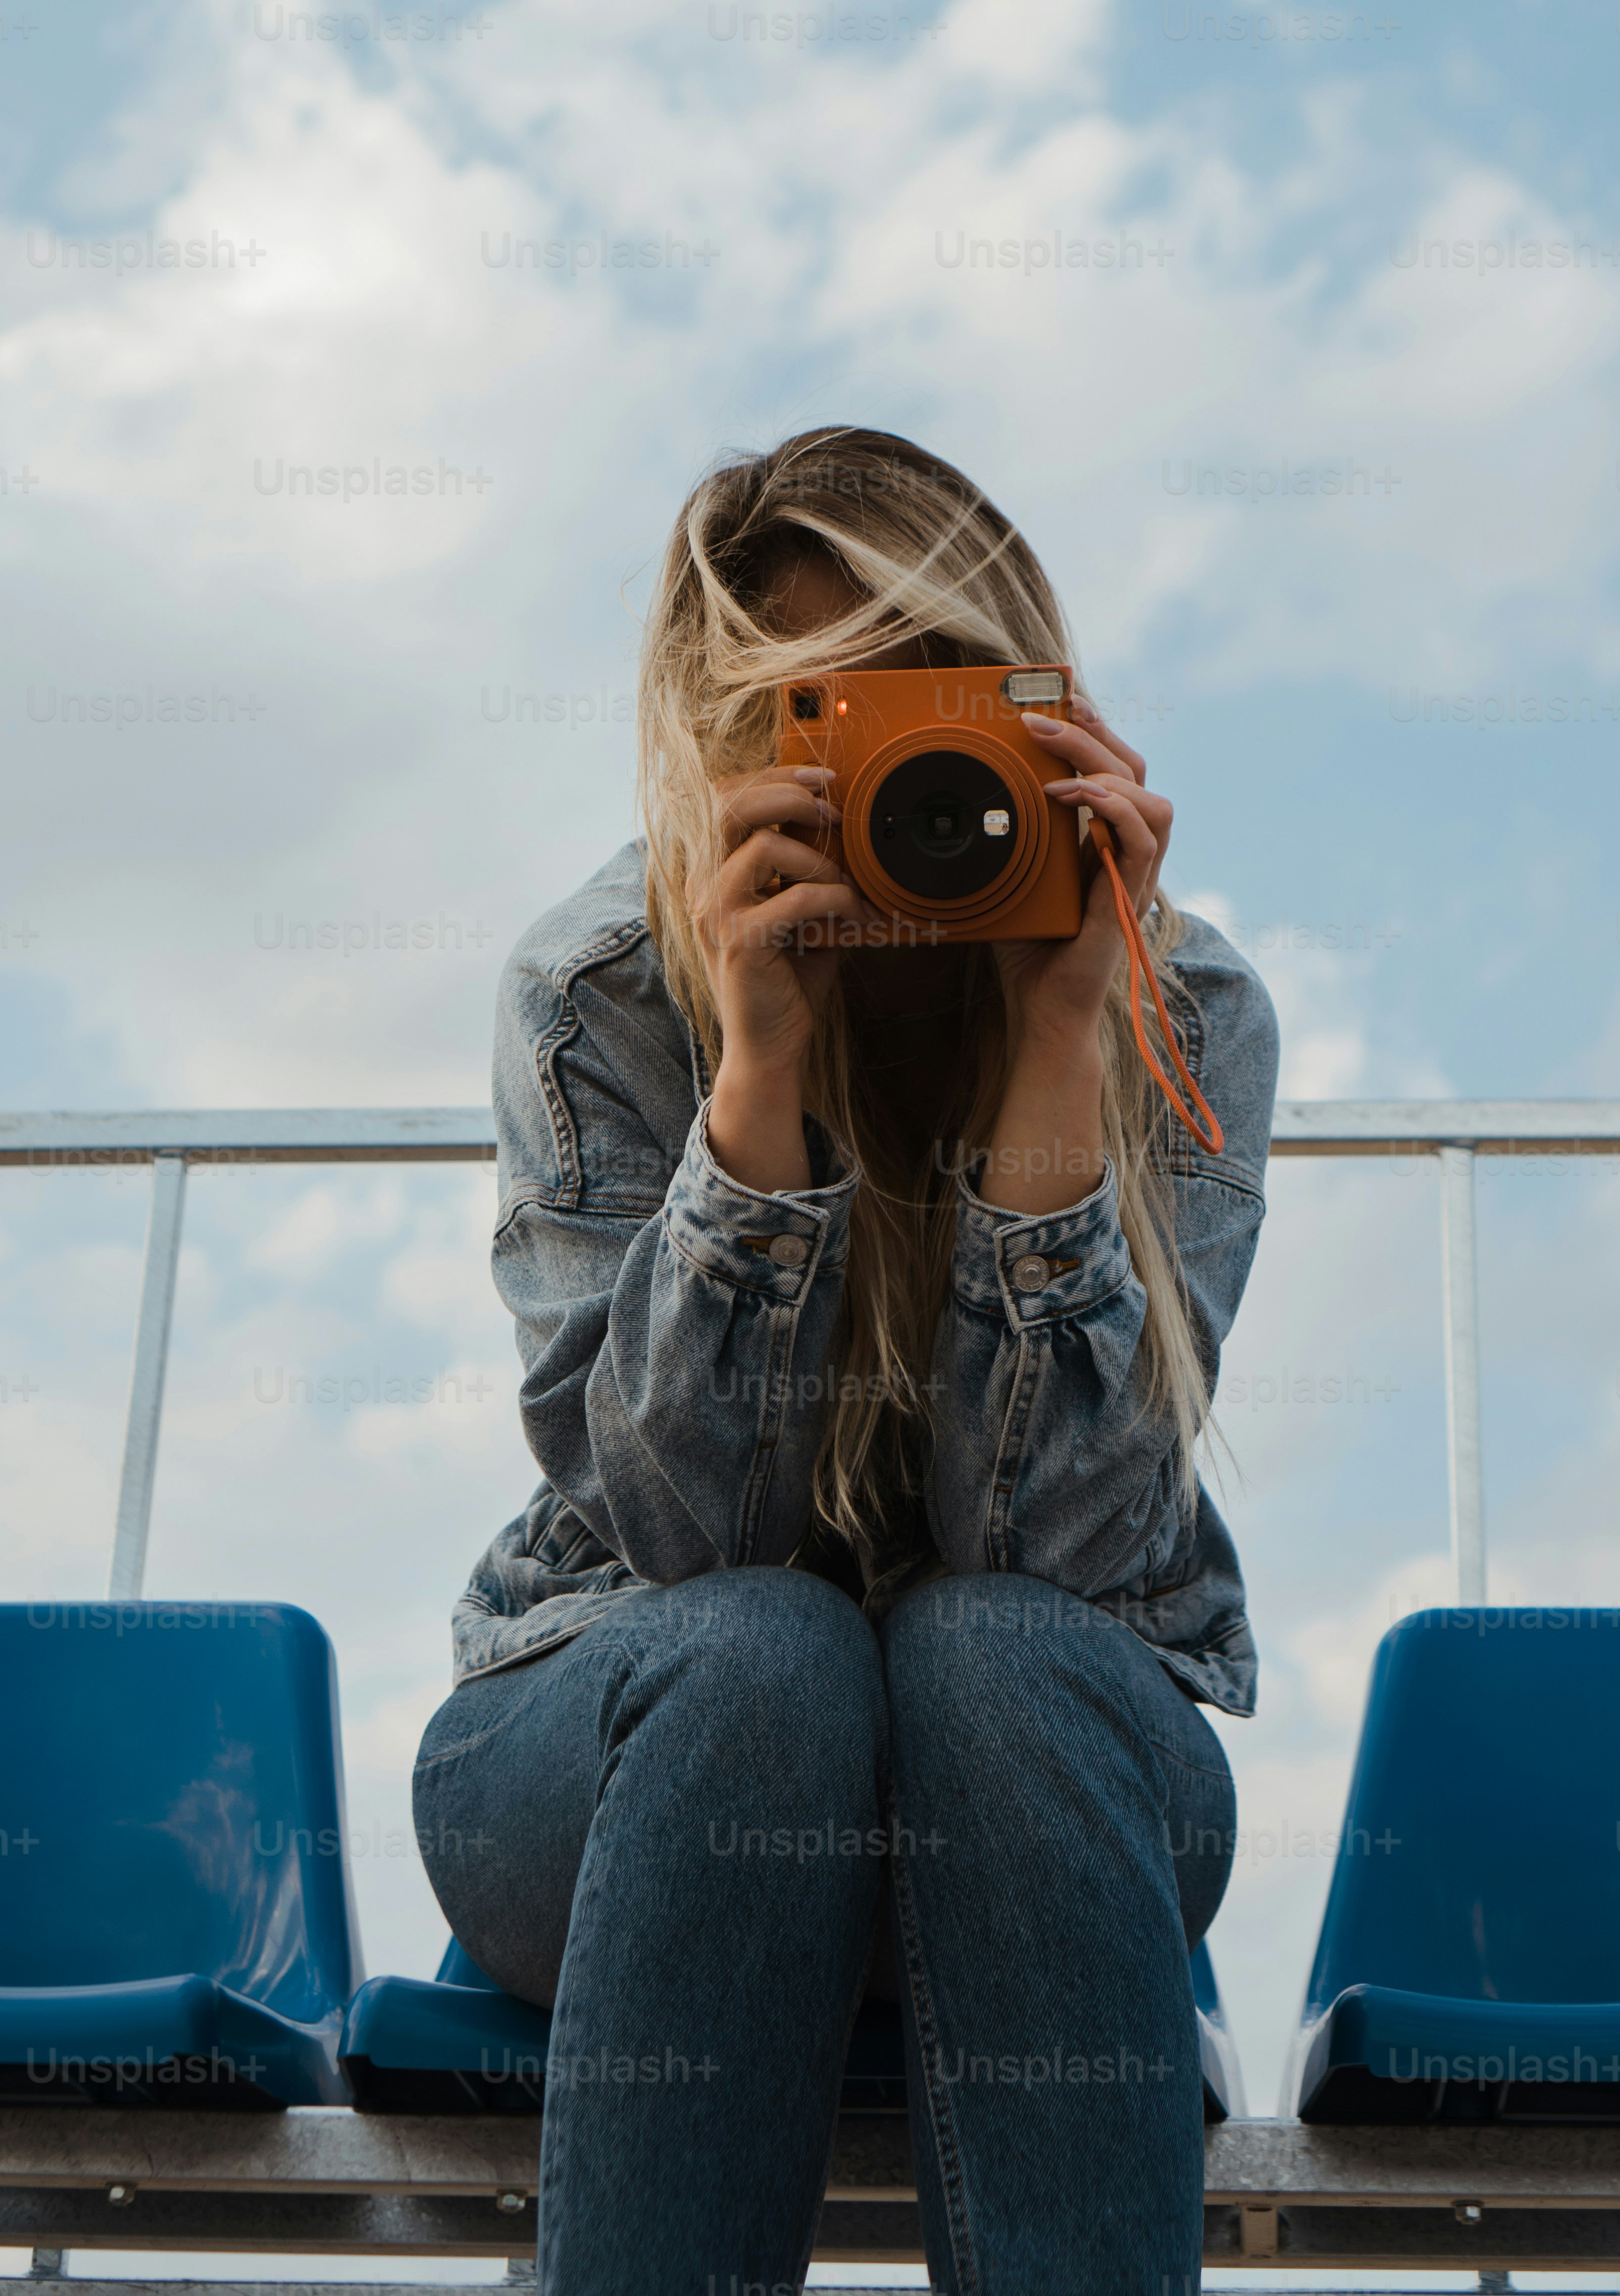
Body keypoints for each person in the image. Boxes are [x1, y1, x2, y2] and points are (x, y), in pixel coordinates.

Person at [412, 426, 1278, 2296]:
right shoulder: (601, 998)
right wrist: (759, 1081)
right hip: (630, 1760)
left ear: (1032, 703)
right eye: (829, 727)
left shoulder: (1179, 1009)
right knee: (763, 1651)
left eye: (938, 708)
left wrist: (1061, 1042)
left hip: (1040, 1773)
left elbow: (1063, 1559)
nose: (911, 784)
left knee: (995, 1656)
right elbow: (678, 1528)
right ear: (720, 760)